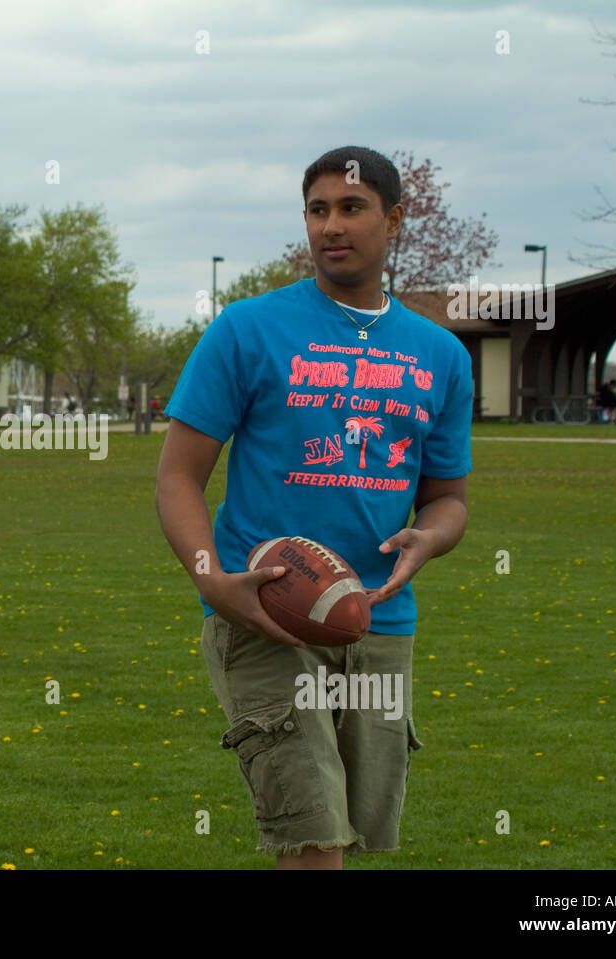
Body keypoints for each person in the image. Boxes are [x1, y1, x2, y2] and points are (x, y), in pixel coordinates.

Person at [155, 145, 472, 869]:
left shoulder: (441, 355)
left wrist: (430, 538)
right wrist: (211, 578)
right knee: (313, 842)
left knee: (351, 838)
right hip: (267, 615)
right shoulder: (246, 329)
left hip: (380, 622)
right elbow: (177, 478)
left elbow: (449, 499)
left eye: (352, 208)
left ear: (394, 219)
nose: (331, 225)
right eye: (317, 209)